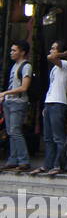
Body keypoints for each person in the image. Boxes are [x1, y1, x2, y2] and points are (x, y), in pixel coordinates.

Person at [32, 41, 67, 175]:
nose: (51, 51)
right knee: (48, 137)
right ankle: (47, 164)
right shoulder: (55, 68)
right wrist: (45, 104)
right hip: (50, 102)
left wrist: (62, 54)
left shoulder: (66, 64)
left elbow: (50, 57)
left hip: (58, 103)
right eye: (51, 48)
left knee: (58, 137)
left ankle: (58, 164)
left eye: (54, 48)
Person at [2, 40, 33, 172]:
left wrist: (5, 93)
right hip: (9, 102)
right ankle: (13, 159)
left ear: (22, 52)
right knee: (10, 132)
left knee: (15, 131)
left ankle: (24, 160)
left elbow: (24, 87)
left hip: (18, 103)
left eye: (14, 50)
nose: (11, 53)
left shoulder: (26, 66)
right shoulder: (15, 65)